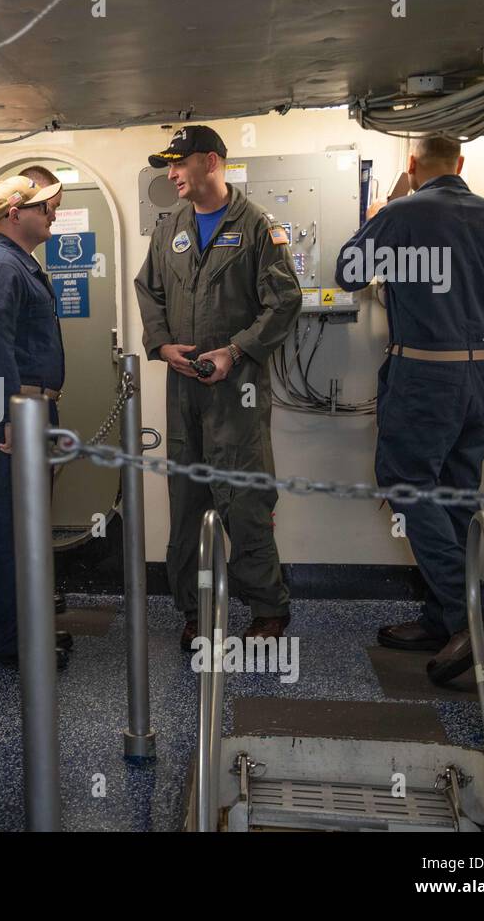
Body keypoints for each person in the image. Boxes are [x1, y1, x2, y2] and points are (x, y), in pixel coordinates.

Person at [335, 134, 484, 684]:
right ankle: (447, 619)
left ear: (412, 166)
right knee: (455, 492)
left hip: (421, 373)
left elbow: (349, 272)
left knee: (407, 484)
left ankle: (481, 617)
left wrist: (382, 212)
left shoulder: (402, 214)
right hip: (473, 375)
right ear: (461, 164)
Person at [134, 125, 301, 650]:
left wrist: (236, 351)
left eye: (179, 163)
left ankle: (268, 608)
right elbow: (148, 290)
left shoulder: (255, 227)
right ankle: (195, 609)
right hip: (184, 390)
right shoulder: (170, 229)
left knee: (245, 499)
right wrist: (162, 346)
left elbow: (285, 301)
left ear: (210, 162)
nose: (172, 174)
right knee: (186, 502)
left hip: (238, 390)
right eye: (168, 165)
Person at [0, 175, 75, 669]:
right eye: (45, 209)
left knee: (23, 527)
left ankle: (22, 631)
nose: (52, 216)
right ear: (15, 213)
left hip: (28, 409)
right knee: (12, 529)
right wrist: (8, 412)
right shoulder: (3, 266)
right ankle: (9, 641)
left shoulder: (17, 265)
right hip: (14, 412)